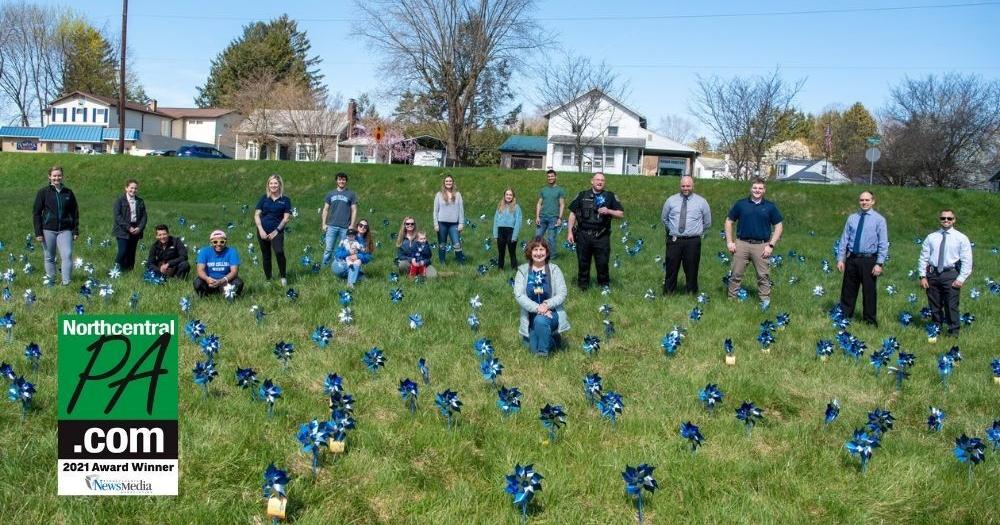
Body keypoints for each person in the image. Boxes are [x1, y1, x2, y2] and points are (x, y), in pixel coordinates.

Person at [724, 178, 784, 309]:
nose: (757, 190)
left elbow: (779, 226)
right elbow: (729, 221)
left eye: (760, 188)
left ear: (764, 190)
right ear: (751, 189)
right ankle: (731, 301)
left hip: (762, 246)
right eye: (755, 188)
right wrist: (729, 242)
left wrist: (771, 245)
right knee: (735, 274)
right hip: (742, 244)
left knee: (763, 276)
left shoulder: (770, 207)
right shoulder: (741, 204)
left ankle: (765, 302)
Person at [836, 191, 889, 326]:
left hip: (869, 260)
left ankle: (869, 321)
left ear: (873, 201)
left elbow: (883, 243)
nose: (864, 202)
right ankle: (845, 316)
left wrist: (879, 263)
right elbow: (844, 239)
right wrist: (841, 258)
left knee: (869, 291)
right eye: (861, 200)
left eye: (867, 200)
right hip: (852, 259)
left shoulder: (879, 220)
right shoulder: (852, 218)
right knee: (848, 290)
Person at [917, 209, 973, 337]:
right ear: (939, 220)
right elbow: (923, 257)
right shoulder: (931, 237)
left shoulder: (961, 238)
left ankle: (953, 331)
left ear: (954, 220)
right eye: (943, 218)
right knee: (934, 304)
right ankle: (936, 328)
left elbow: (967, 260)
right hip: (933, 274)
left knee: (951, 304)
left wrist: (961, 278)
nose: (946, 220)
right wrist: (922, 276)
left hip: (951, 274)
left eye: (949, 218)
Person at [567, 172, 624, 290]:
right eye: (597, 179)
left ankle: (604, 287)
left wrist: (609, 211)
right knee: (583, 263)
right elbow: (572, 214)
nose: (599, 182)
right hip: (583, 235)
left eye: (602, 180)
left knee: (602, 263)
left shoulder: (610, 196)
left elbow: (620, 214)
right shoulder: (582, 195)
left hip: (601, 236)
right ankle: (583, 287)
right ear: (592, 181)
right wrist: (570, 232)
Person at [513, 239, 570, 356]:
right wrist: (538, 308)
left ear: (547, 252)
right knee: (532, 347)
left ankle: (543, 354)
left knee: (540, 321)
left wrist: (546, 305)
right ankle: (553, 340)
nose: (538, 253)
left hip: (551, 313)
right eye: (535, 250)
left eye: (541, 249)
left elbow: (562, 293)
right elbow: (519, 295)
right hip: (531, 315)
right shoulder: (522, 271)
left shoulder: (554, 269)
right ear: (530, 252)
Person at [660, 176, 711, 295]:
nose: (685, 188)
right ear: (680, 186)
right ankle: (668, 292)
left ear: (693, 186)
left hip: (692, 241)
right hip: (674, 240)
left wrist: (695, 231)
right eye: (683, 186)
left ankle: (692, 293)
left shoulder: (702, 202)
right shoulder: (671, 200)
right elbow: (664, 219)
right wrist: (673, 229)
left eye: (688, 186)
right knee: (671, 268)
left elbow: (707, 222)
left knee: (692, 268)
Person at [33, 165, 79, 285]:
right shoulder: (43, 192)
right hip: (48, 230)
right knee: (49, 257)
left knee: (67, 255)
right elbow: (36, 213)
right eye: (54, 176)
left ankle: (66, 282)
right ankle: (51, 282)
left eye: (59, 175)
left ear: (62, 176)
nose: (56, 178)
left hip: (65, 230)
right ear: (49, 177)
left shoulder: (68, 193)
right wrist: (38, 232)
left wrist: (75, 230)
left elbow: (75, 212)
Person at [255, 174, 292, 286]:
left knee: (279, 252)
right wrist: (260, 229)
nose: (273, 185)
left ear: (280, 185)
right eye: (271, 183)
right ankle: (268, 279)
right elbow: (256, 214)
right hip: (262, 231)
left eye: (275, 183)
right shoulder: (264, 198)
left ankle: (283, 277)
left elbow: (286, 218)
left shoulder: (285, 200)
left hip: (277, 231)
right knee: (266, 255)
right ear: (268, 185)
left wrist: (276, 231)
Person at [321, 172, 357, 266]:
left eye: (343, 180)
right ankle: (324, 267)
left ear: (346, 181)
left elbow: (354, 210)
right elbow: (325, 209)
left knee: (344, 249)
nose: (341, 181)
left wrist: (352, 225)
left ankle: (340, 267)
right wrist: (324, 224)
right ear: (336, 181)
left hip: (345, 227)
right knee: (328, 249)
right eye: (339, 179)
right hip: (331, 226)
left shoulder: (351, 194)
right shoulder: (330, 194)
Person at [194, 230, 243, 298]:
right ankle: (205, 298)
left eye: (222, 242)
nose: (218, 244)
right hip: (209, 282)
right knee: (198, 283)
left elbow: (234, 271)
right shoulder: (204, 251)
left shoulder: (232, 251)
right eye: (215, 242)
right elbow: (200, 270)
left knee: (238, 283)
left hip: (226, 281)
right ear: (211, 242)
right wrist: (207, 279)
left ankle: (229, 297)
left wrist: (222, 281)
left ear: (226, 242)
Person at [112, 179, 147, 272]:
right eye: (131, 188)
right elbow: (117, 216)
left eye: (135, 188)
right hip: (122, 230)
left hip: (136, 229)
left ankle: (129, 272)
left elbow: (144, 216)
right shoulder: (119, 201)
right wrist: (128, 227)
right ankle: (115, 270)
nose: (133, 190)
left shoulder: (140, 201)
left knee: (131, 252)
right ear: (126, 188)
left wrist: (139, 228)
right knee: (123, 251)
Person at [432, 175, 466, 264]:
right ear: (444, 183)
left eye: (450, 181)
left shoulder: (458, 195)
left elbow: (461, 210)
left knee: (457, 243)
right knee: (442, 244)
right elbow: (435, 211)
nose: (448, 183)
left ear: (453, 182)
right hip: (441, 223)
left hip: (454, 224)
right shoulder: (439, 195)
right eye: (446, 181)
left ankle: (461, 262)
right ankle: (442, 262)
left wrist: (461, 223)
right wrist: (435, 224)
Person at [535, 169, 565, 257]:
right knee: (537, 237)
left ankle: (552, 256)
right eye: (548, 176)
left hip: (553, 218)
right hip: (542, 217)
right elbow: (539, 203)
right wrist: (537, 216)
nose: (550, 178)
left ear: (555, 177)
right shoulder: (543, 190)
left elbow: (562, 204)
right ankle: (538, 254)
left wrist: (560, 218)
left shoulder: (560, 190)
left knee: (551, 238)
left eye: (552, 176)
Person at [493, 187, 523, 270]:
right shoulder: (500, 206)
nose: (508, 196)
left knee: (512, 252)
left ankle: (514, 269)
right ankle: (500, 269)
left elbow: (518, 222)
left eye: (510, 195)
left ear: (513, 196)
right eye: (507, 194)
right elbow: (495, 220)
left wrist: (515, 236)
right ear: (504, 196)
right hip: (500, 231)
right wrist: (495, 234)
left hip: (511, 232)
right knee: (501, 252)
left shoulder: (516, 207)